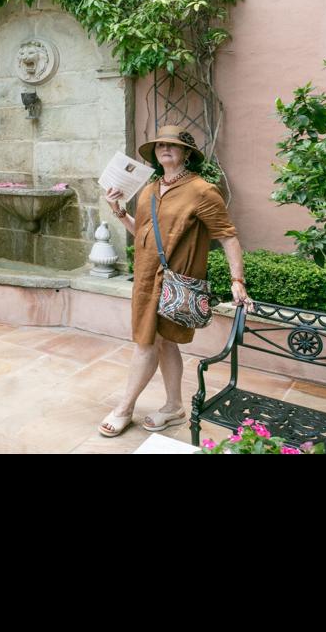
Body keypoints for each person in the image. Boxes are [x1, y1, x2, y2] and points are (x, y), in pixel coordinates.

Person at [98, 125, 250, 437]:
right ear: (155, 154)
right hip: (145, 279)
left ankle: (124, 408)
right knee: (164, 343)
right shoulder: (151, 189)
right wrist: (117, 210)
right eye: (160, 145)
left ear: (185, 154)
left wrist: (238, 279)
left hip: (175, 283)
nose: (165, 149)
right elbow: (141, 231)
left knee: (147, 343)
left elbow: (227, 236)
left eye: (172, 145)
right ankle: (174, 407)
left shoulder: (202, 191)